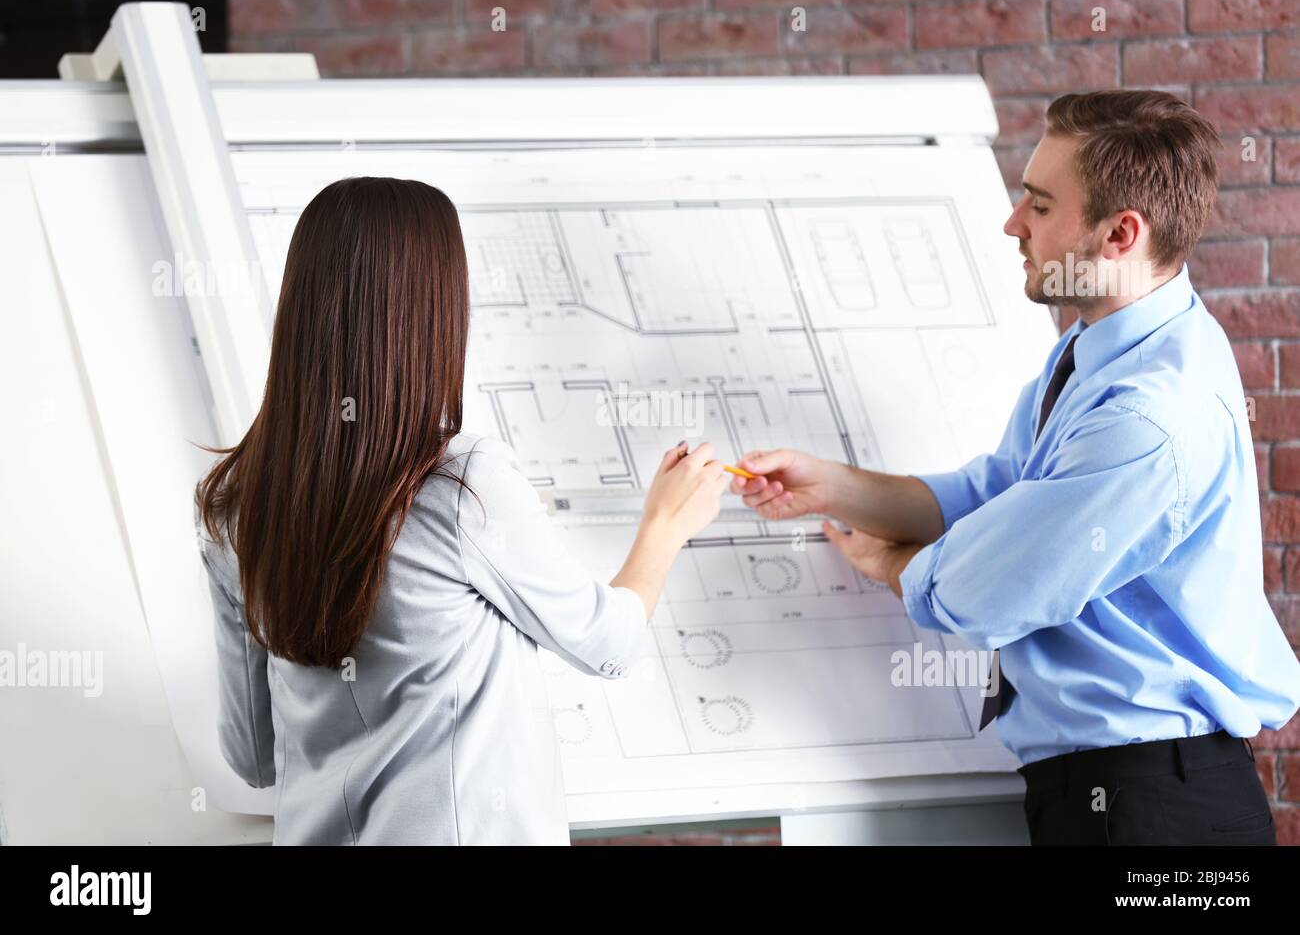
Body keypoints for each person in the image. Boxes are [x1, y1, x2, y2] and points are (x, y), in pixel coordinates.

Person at [731, 90, 1300, 845]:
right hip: (1117, 797)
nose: (1011, 225)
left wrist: (897, 563)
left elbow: (988, 587)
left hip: (1154, 814)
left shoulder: (1148, 415)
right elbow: (994, 494)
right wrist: (832, 487)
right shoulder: (1096, 348)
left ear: (1119, 233)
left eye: (1038, 204)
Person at [195, 177, 728, 844]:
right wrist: (667, 524)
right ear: (431, 314)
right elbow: (609, 642)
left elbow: (250, 757)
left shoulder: (234, 508)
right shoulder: (459, 487)